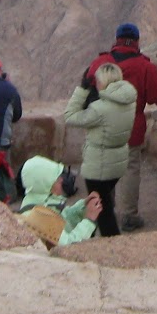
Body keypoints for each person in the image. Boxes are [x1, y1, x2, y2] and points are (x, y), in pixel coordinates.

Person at [83, 23, 157, 233]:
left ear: (117, 39)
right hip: (130, 127)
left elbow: (84, 91)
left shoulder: (100, 62)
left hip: (99, 126)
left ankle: (100, 212)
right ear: (136, 41)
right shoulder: (145, 66)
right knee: (129, 169)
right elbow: (156, 97)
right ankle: (128, 215)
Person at [63, 62, 136, 236]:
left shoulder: (99, 109)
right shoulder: (128, 101)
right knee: (106, 203)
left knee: (102, 210)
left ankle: (112, 246)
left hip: (99, 165)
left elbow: (70, 116)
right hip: (117, 161)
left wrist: (82, 89)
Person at [17, 155, 102, 248]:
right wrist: (89, 220)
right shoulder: (38, 215)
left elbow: (61, 219)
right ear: (47, 185)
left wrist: (82, 208)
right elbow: (68, 245)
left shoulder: (41, 204)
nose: (63, 180)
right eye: (58, 178)